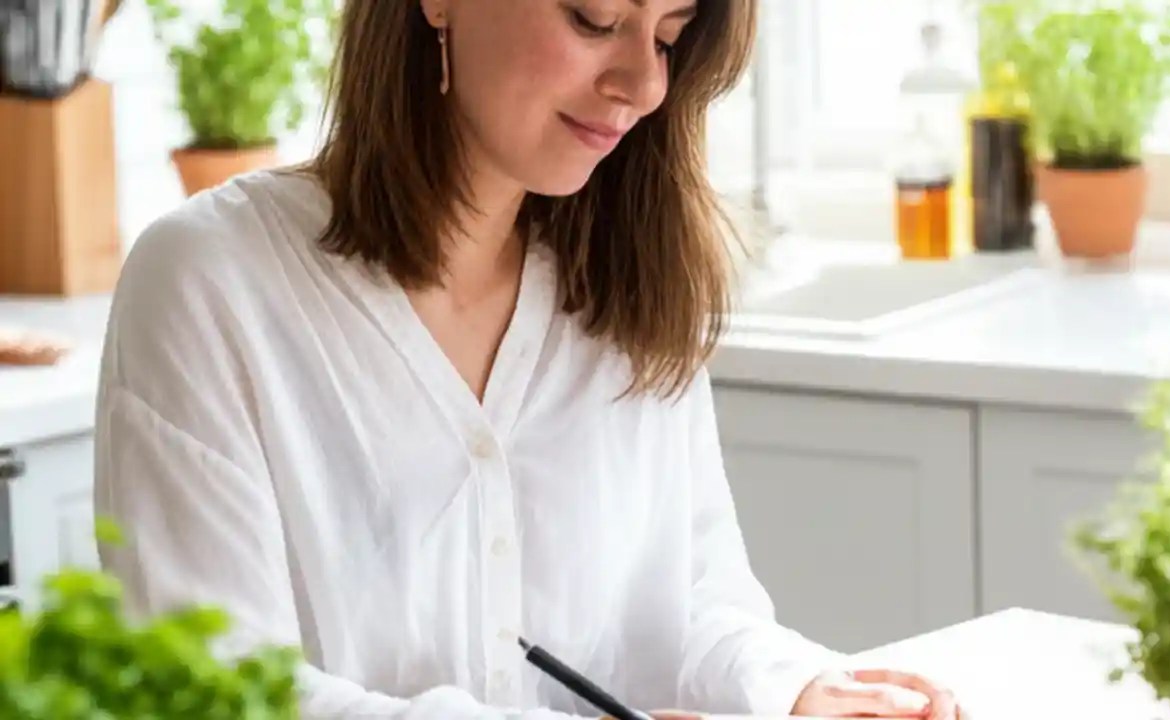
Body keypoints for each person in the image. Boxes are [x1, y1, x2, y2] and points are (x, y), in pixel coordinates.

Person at [94, 0, 965, 718]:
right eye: (595, 20)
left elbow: (692, 600)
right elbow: (207, 691)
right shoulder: (211, 282)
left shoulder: (632, 284)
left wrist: (797, 687)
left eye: (668, 35)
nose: (644, 83)